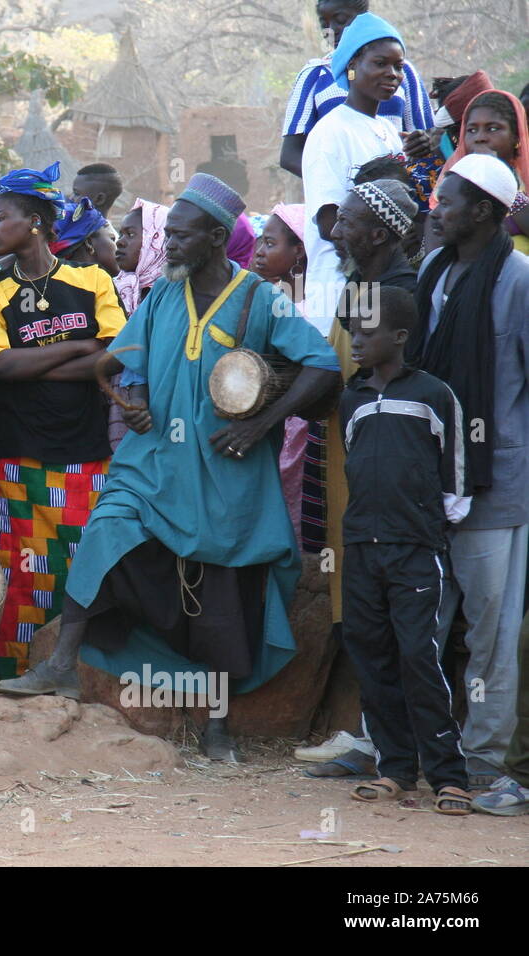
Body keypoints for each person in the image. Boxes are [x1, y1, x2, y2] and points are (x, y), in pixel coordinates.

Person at [0, 175, 340, 763]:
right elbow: (118, 360)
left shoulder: (260, 298)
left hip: (228, 473)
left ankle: (218, 726)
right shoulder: (159, 296)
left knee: (225, 597)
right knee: (107, 530)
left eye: (182, 236)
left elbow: (324, 366)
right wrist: (126, 395)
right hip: (153, 465)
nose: (171, 244)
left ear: (213, 236)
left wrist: (262, 422)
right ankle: (61, 665)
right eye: (169, 235)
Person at [0, 164, 126, 683]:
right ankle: (13, 674)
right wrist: (82, 346)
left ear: (34, 222)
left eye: (0, 218)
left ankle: (76, 673)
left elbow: (116, 356)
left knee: (81, 563)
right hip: (16, 452)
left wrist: (37, 361)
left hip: (84, 451)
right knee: (18, 573)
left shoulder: (91, 279)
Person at [413, 154, 529, 789]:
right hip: (433, 480)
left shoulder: (518, 280)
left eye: (449, 201)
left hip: (495, 484)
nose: (438, 209)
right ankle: (420, 754)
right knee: (425, 622)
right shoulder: (435, 268)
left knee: (490, 632)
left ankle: (486, 767)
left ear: (483, 211)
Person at [302, 177, 421, 778]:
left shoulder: (396, 295)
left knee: (388, 616)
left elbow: (353, 382)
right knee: (366, 611)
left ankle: (390, 746)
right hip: (355, 466)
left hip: (382, 476)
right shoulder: (363, 286)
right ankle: (376, 739)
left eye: (345, 222)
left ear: (378, 233)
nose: (335, 231)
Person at [338, 286, 471, 814]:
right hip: (361, 548)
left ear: (399, 337)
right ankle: (395, 769)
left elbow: (455, 473)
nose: (356, 342)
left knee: (419, 656)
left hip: (416, 549)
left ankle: (448, 775)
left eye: (367, 333)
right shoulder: (351, 397)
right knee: (371, 656)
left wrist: (432, 526)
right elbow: (355, 460)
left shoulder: (434, 394)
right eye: (352, 333)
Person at [301, 12, 410, 335]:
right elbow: (328, 224)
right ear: (351, 66)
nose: (392, 74)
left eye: (398, 66)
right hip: (339, 293)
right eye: (380, 63)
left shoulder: (388, 133)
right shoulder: (330, 132)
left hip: (381, 290)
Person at [280, 0, 433, 179]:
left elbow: (424, 135)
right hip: (339, 198)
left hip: (397, 190)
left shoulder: (402, 71)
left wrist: (422, 143)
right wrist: (342, 183)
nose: (331, 30)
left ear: (363, 18)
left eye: (341, 19)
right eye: (324, 24)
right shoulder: (315, 74)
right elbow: (290, 155)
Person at [250, 203, 310, 544]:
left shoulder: (314, 303)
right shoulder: (265, 295)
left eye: (270, 244)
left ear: (298, 250)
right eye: (260, 242)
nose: (259, 252)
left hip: (298, 421)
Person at [435, 90, 529, 254]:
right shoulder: (451, 190)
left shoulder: (523, 189)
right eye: (471, 130)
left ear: (515, 137)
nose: (480, 138)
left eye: (492, 129)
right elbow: (435, 258)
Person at [113, 199, 169, 315]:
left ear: (156, 240)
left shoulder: (173, 295)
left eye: (131, 234)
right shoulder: (111, 289)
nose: (119, 242)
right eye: (121, 234)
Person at [52, 198, 119, 276]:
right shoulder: (99, 286)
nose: (119, 244)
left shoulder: (54, 282)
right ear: (89, 243)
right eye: (112, 239)